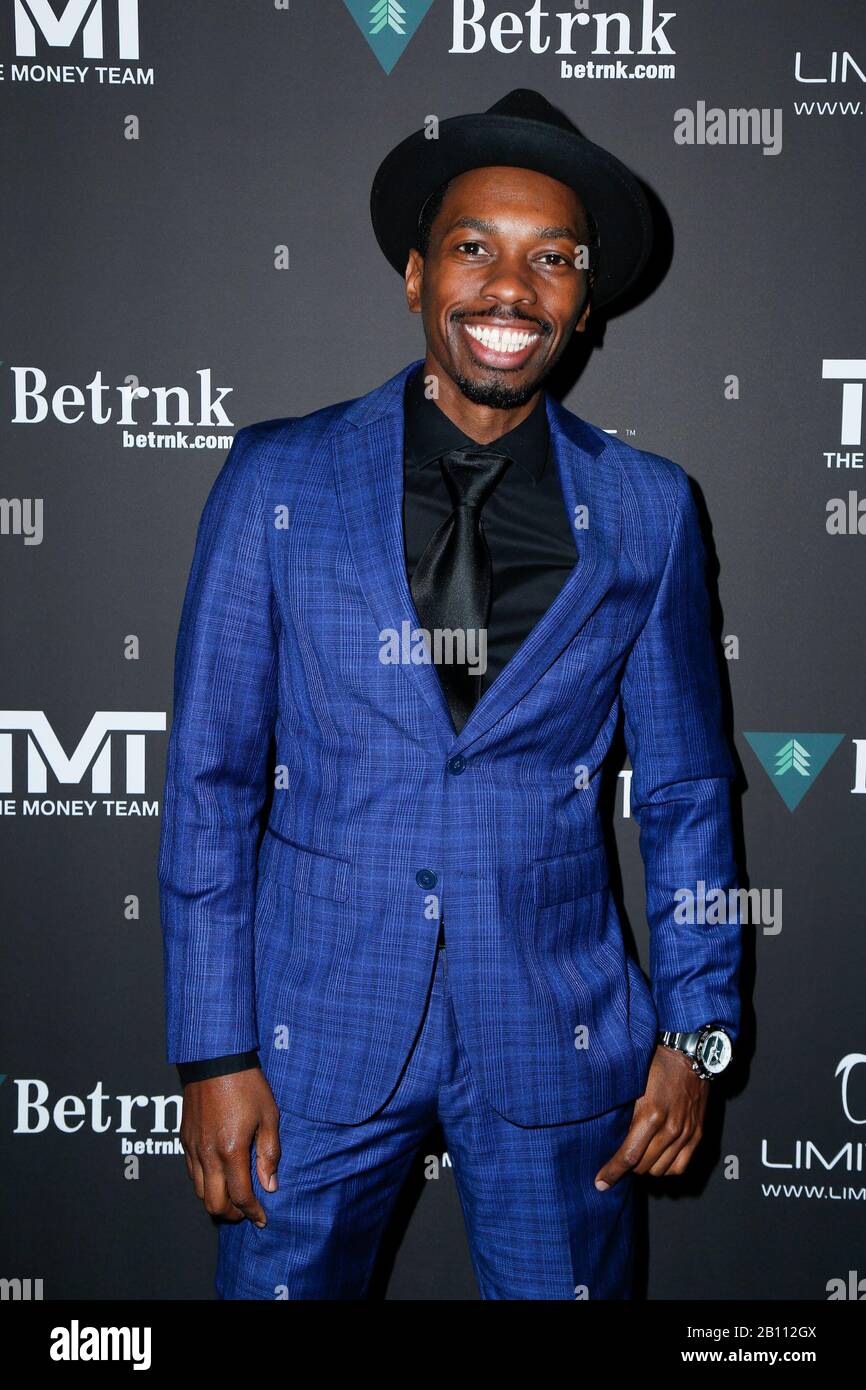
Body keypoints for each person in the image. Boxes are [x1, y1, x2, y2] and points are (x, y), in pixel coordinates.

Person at [157, 89, 741, 1300]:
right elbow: (209, 780)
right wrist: (211, 1049)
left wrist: (693, 1033)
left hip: (558, 1033)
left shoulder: (647, 508)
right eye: (475, 247)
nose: (510, 288)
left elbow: (686, 792)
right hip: (310, 1038)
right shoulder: (277, 478)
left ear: (583, 301)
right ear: (417, 276)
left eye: (551, 259)